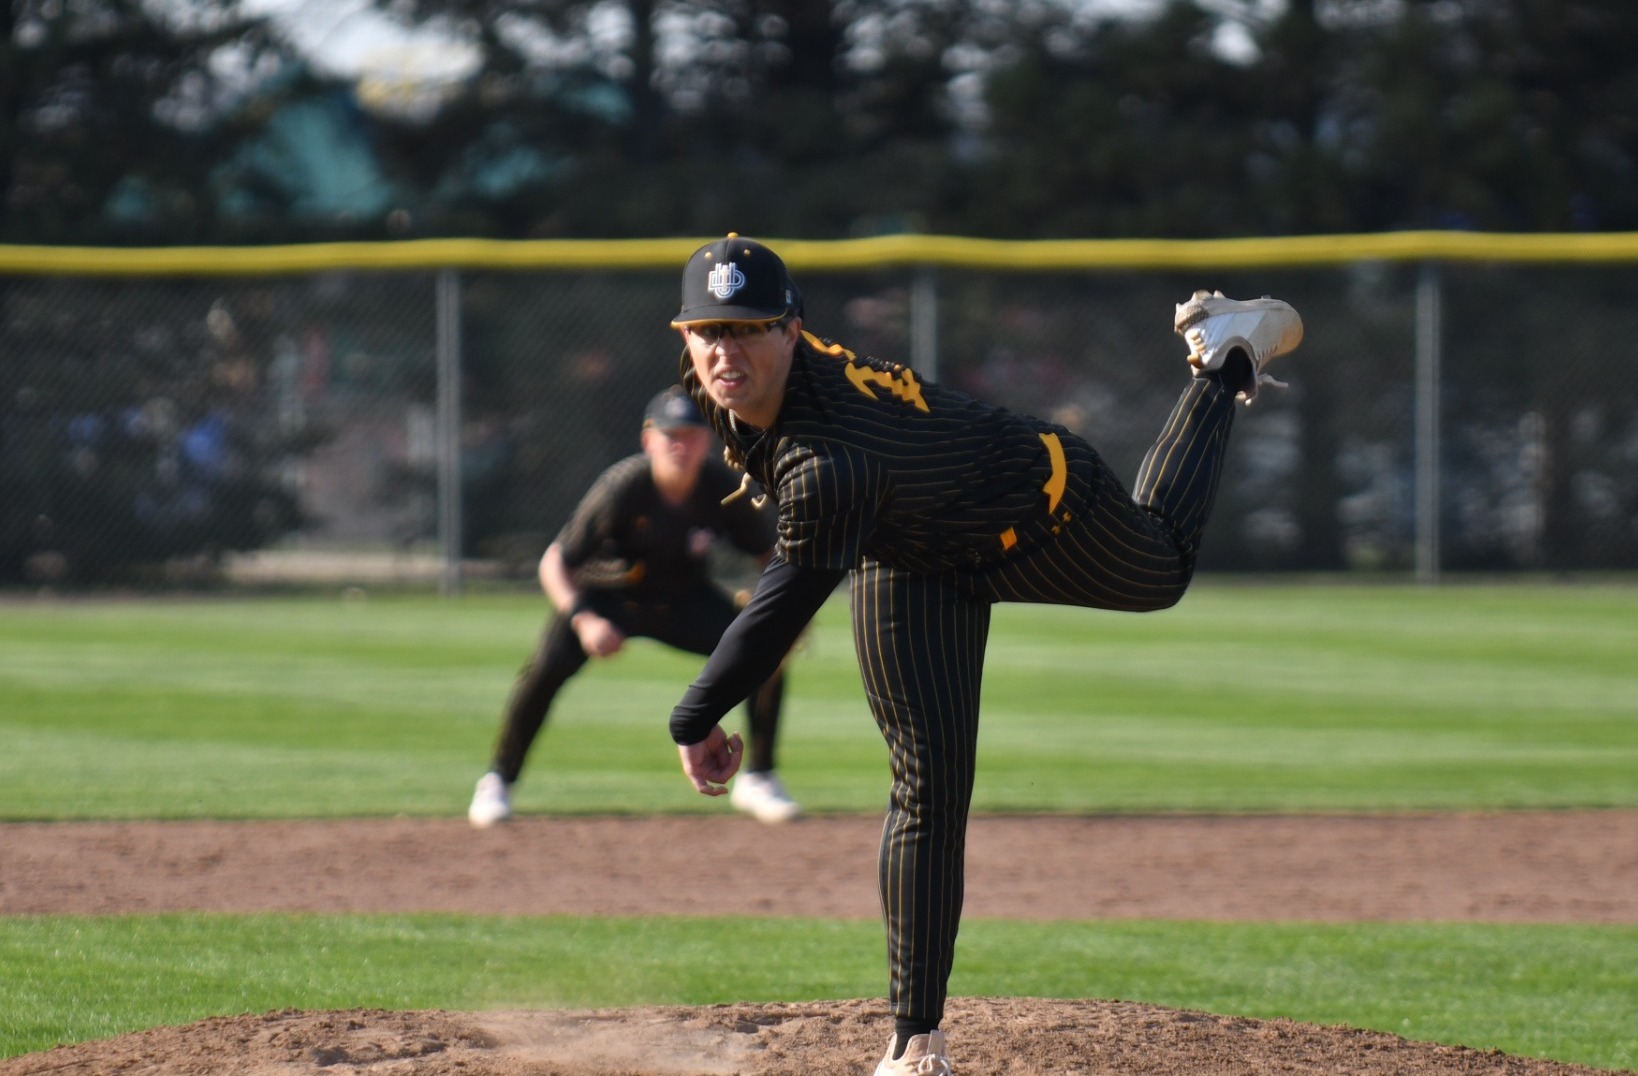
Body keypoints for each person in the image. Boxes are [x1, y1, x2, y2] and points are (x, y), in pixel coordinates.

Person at [659, 234, 1304, 1075]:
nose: (723, 350)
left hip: (1038, 504)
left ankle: (1222, 358)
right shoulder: (719, 387)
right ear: (684, 338)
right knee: (928, 782)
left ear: (791, 331)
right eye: (707, 330)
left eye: (746, 330)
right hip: (907, 548)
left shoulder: (832, 464)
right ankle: (914, 1040)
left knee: (1161, 568)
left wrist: (693, 713)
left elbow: (782, 606)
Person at [468, 386, 802, 828]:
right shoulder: (624, 486)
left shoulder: (721, 488)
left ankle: (759, 777)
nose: (681, 445)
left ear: (709, 440)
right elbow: (555, 563)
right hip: (607, 598)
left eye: (692, 434)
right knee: (544, 669)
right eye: (671, 435)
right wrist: (584, 620)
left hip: (682, 598)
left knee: (765, 655)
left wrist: (780, 613)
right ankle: (498, 780)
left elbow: (772, 557)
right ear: (649, 440)